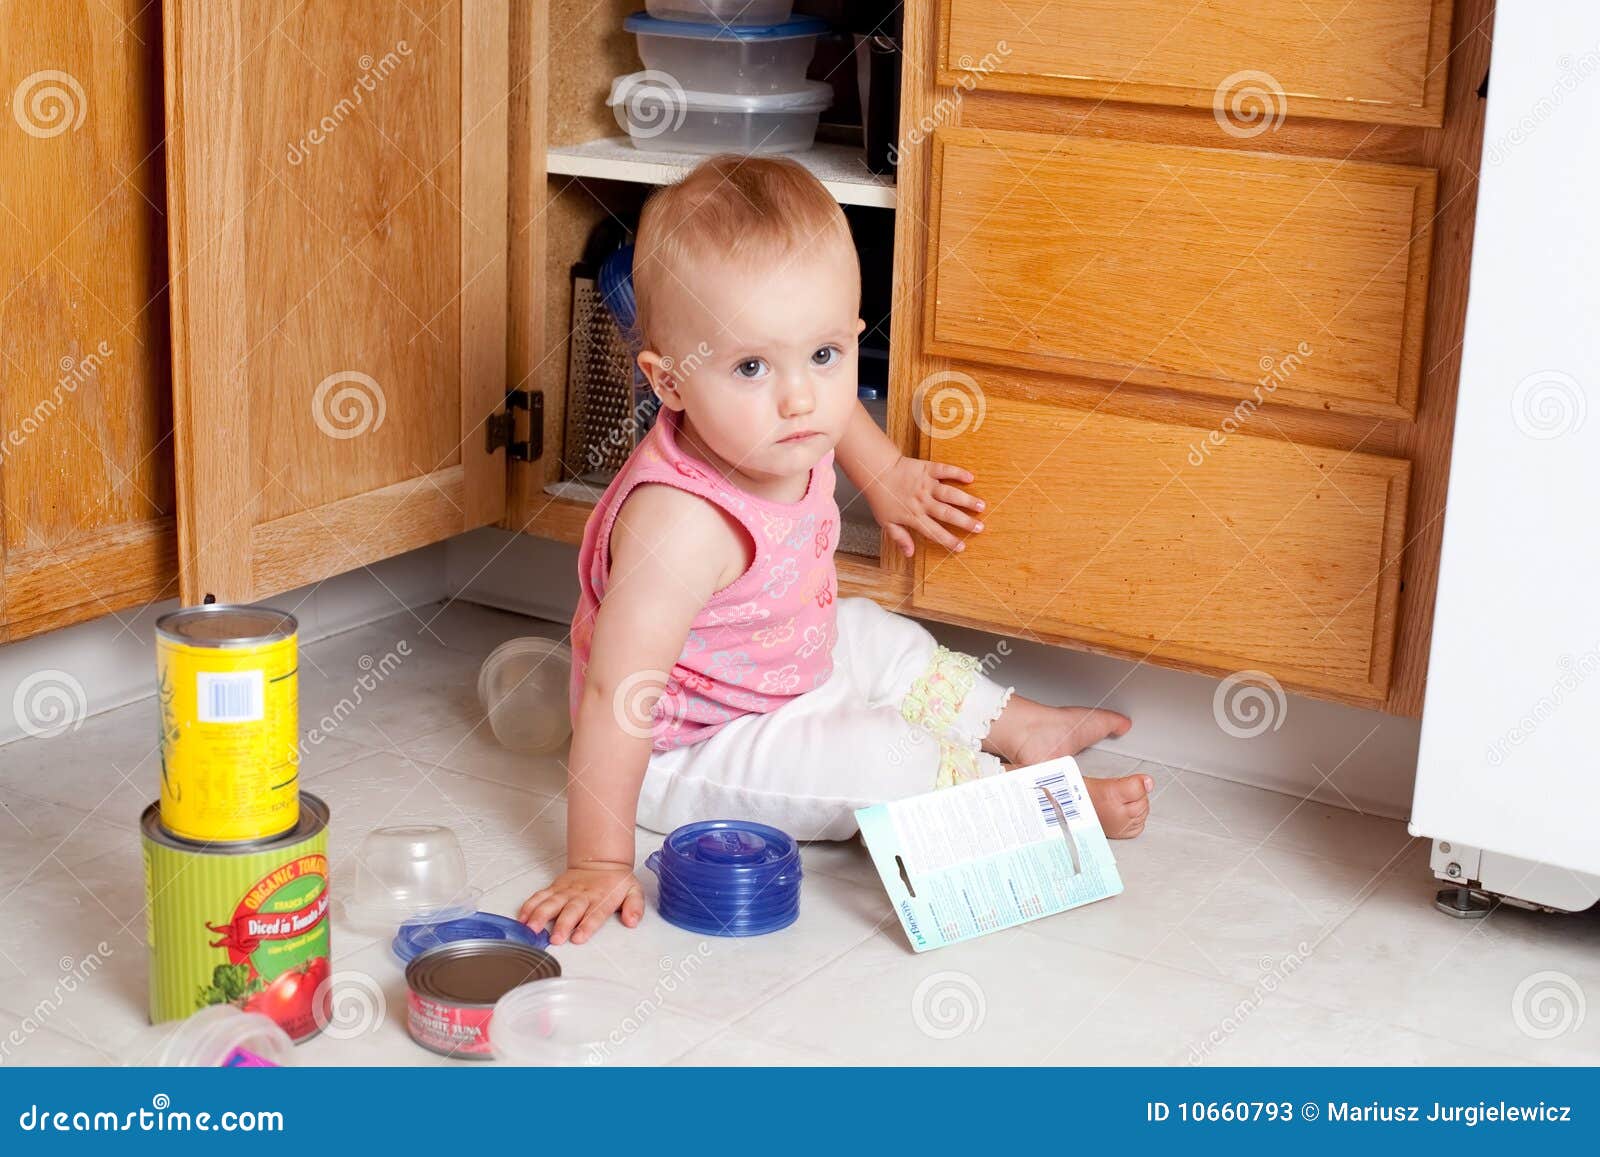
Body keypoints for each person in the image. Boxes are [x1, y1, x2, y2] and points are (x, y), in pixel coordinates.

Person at [520, 155, 1150, 946]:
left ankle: (1024, 727)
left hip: (787, 662)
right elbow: (619, 695)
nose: (799, 397)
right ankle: (1014, 806)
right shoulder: (679, 525)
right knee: (881, 757)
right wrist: (599, 859)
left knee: (882, 636)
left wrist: (886, 475)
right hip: (693, 745)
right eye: (750, 366)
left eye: (825, 354)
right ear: (669, 382)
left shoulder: (789, 416)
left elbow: (834, 411)